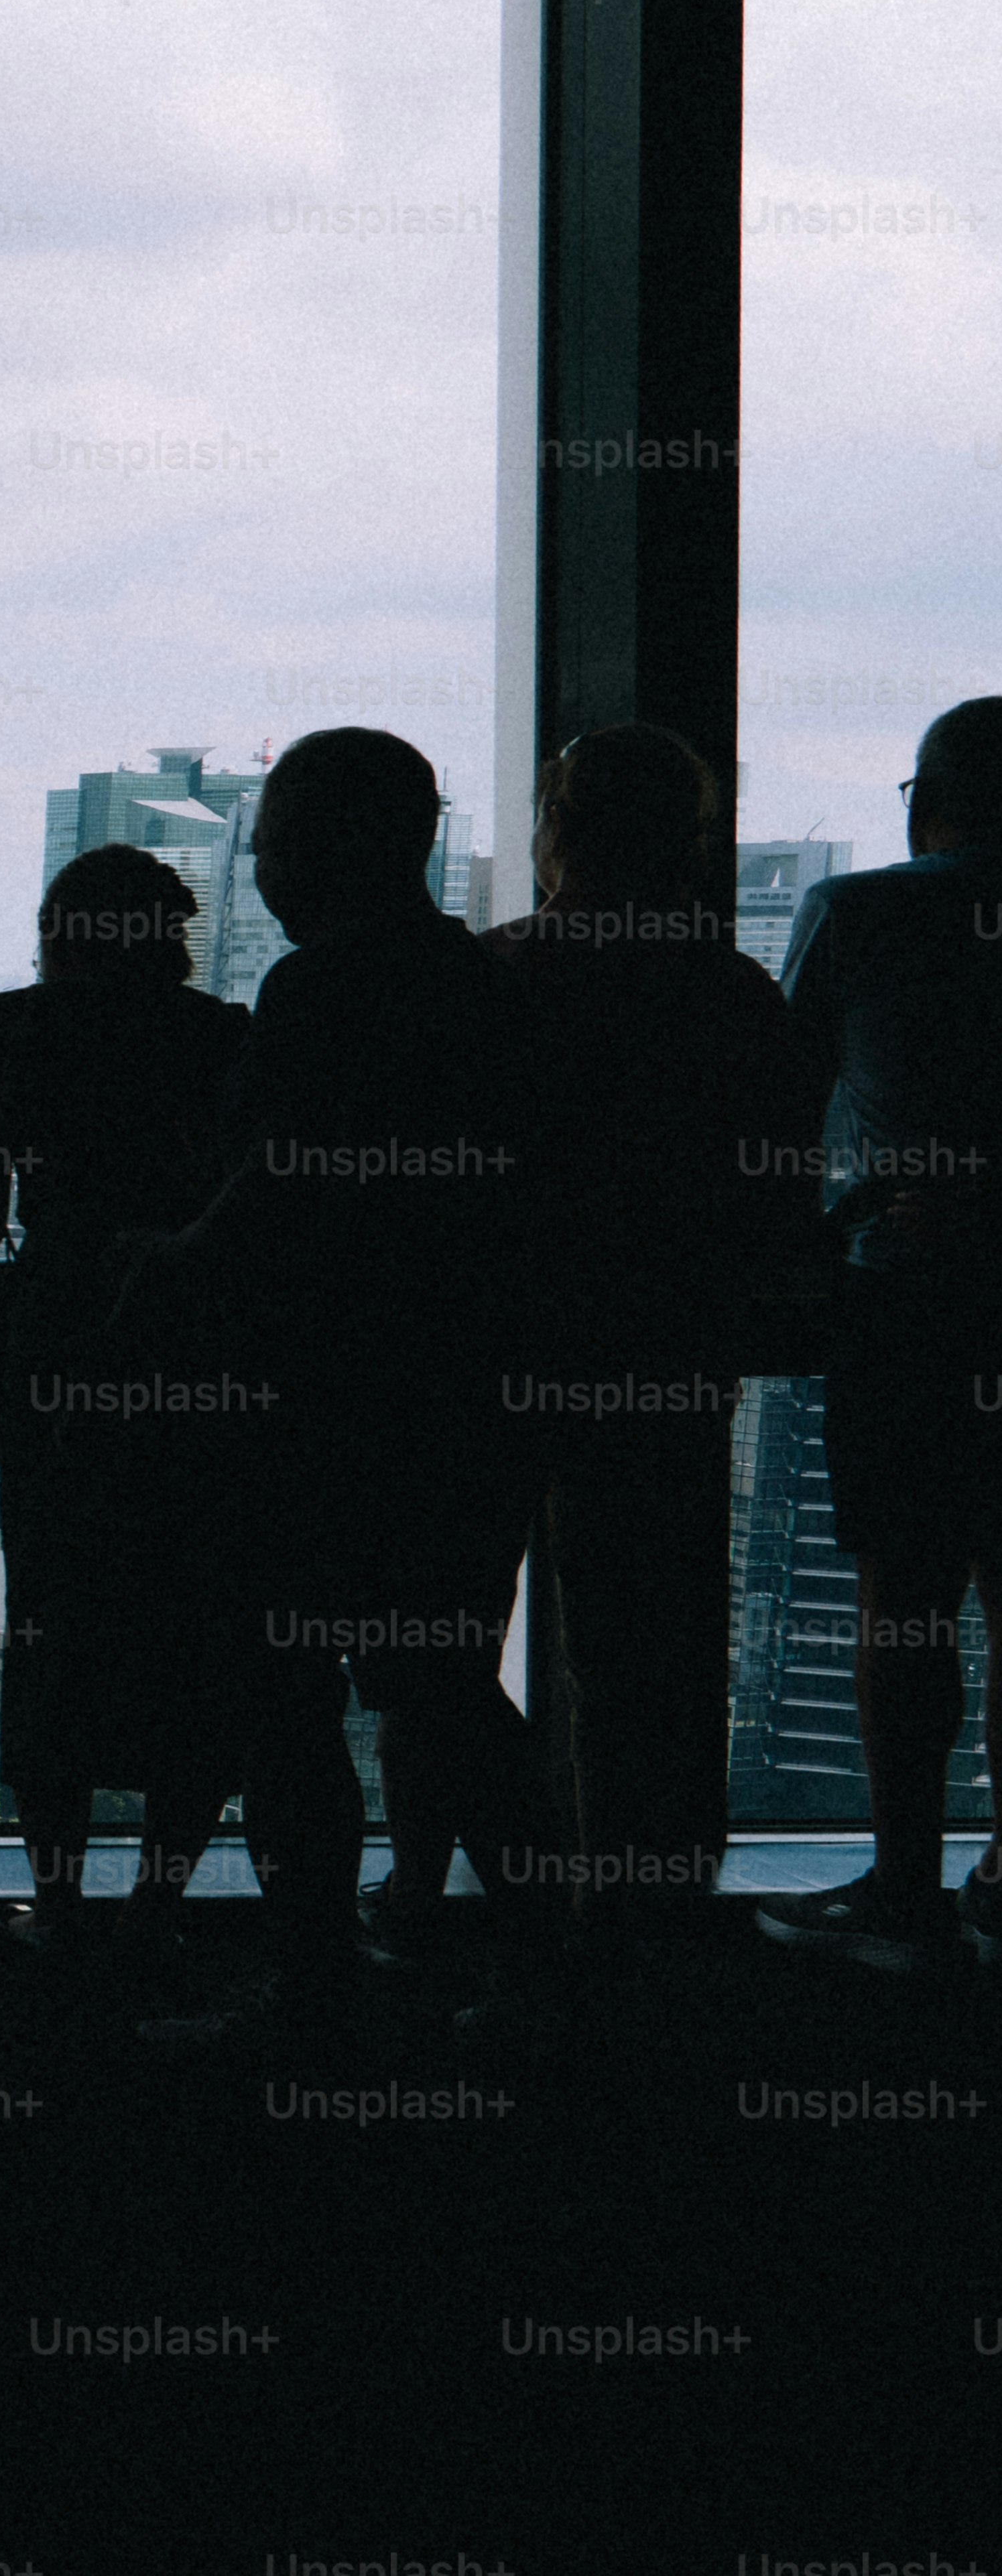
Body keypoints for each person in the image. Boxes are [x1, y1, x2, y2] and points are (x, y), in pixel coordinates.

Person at [126, 727, 545, 2041]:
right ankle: (555, 1970)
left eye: (276, 841)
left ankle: (312, 1979)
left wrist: (156, 1267)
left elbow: (275, 1198)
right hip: (462, 1404)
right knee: (443, 1688)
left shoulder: (320, 993)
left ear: (325, 849)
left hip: (315, 1410)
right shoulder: (485, 990)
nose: (261, 869)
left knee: (285, 1693)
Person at [483, 725, 816, 1948]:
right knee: (652, 1653)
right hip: (665, 1354)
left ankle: (499, 1897)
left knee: (443, 1643)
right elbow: (776, 1195)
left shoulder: (500, 977)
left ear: (556, 833)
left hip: (492, 1346)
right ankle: (645, 1908)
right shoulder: (728, 992)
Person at [0, 841, 251, 1957]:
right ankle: (161, 1904)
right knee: (193, 1628)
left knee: (58, 1624)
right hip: (196, 1348)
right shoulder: (226, 1039)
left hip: (61, 1340)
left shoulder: (6, 1029)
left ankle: (60, 1903)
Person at [755, 696, 1002, 1968]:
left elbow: (781, 1099)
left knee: (905, 1598)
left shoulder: (866, 914)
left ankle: (906, 1879)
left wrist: (829, 1220)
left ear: (922, 801)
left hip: (910, 1291)